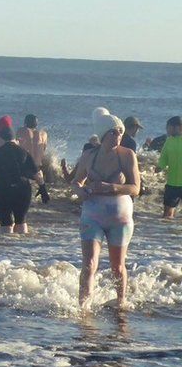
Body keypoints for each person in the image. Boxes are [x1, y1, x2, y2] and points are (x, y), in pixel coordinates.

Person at [70, 112, 139, 308]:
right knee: (90, 264)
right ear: (102, 135)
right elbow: (75, 181)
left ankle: (121, 302)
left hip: (121, 219)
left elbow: (136, 188)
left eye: (120, 131)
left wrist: (113, 188)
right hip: (93, 215)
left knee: (117, 267)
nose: (118, 134)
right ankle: (83, 307)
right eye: (113, 131)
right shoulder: (89, 156)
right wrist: (80, 191)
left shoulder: (127, 155)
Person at [0, 125, 45, 234]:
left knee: (6, 224)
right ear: (15, 138)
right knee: (21, 221)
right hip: (22, 190)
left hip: (2, 190)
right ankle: (21, 249)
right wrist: (43, 189)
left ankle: (7, 249)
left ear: (1, 138)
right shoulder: (24, 152)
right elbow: (37, 175)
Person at [158, 116, 182, 218]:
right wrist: (158, 168)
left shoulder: (169, 141)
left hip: (175, 183)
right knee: (167, 215)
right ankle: (169, 233)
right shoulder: (169, 141)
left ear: (177, 127)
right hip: (172, 183)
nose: (166, 130)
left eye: (168, 127)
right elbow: (163, 159)